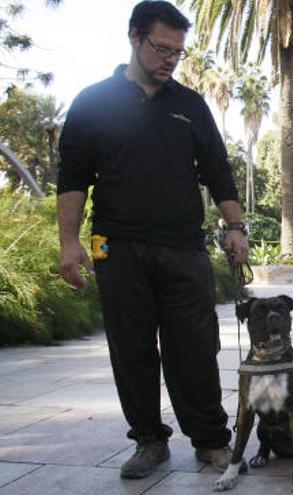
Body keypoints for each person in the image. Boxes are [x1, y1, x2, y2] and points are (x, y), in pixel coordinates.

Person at [56, 1, 247, 480]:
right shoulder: (93, 102)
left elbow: (217, 170)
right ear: (135, 38)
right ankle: (148, 441)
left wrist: (236, 226)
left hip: (184, 247)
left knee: (196, 349)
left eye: (179, 52)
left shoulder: (188, 105)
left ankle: (210, 442)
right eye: (163, 48)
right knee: (132, 350)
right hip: (116, 247)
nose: (170, 59)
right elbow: (73, 176)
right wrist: (69, 243)